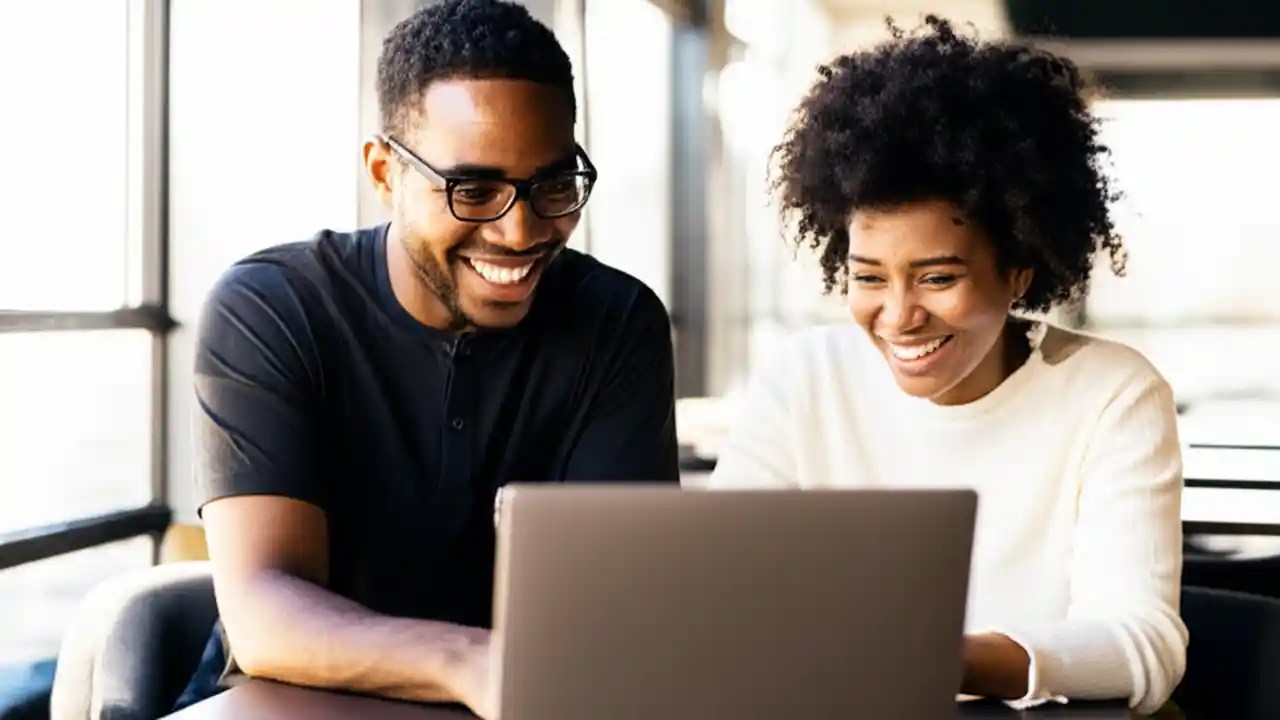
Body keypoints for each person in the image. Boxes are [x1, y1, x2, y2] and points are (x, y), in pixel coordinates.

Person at [177, 1, 679, 717]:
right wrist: (476, 663)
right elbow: (264, 614)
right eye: (473, 191)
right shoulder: (272, 308)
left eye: (553, 187)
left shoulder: (617, 323)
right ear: (385, 172)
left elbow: (618, 609)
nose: (520, 231)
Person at [707, 16, 1186, 715]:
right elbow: (713, 588)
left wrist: (926, 654)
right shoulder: (806, 378)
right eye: (869, 278)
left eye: (936, 278)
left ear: (1019, 270)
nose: (898, 315)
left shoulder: (1112, 395)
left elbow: (1141, 643)